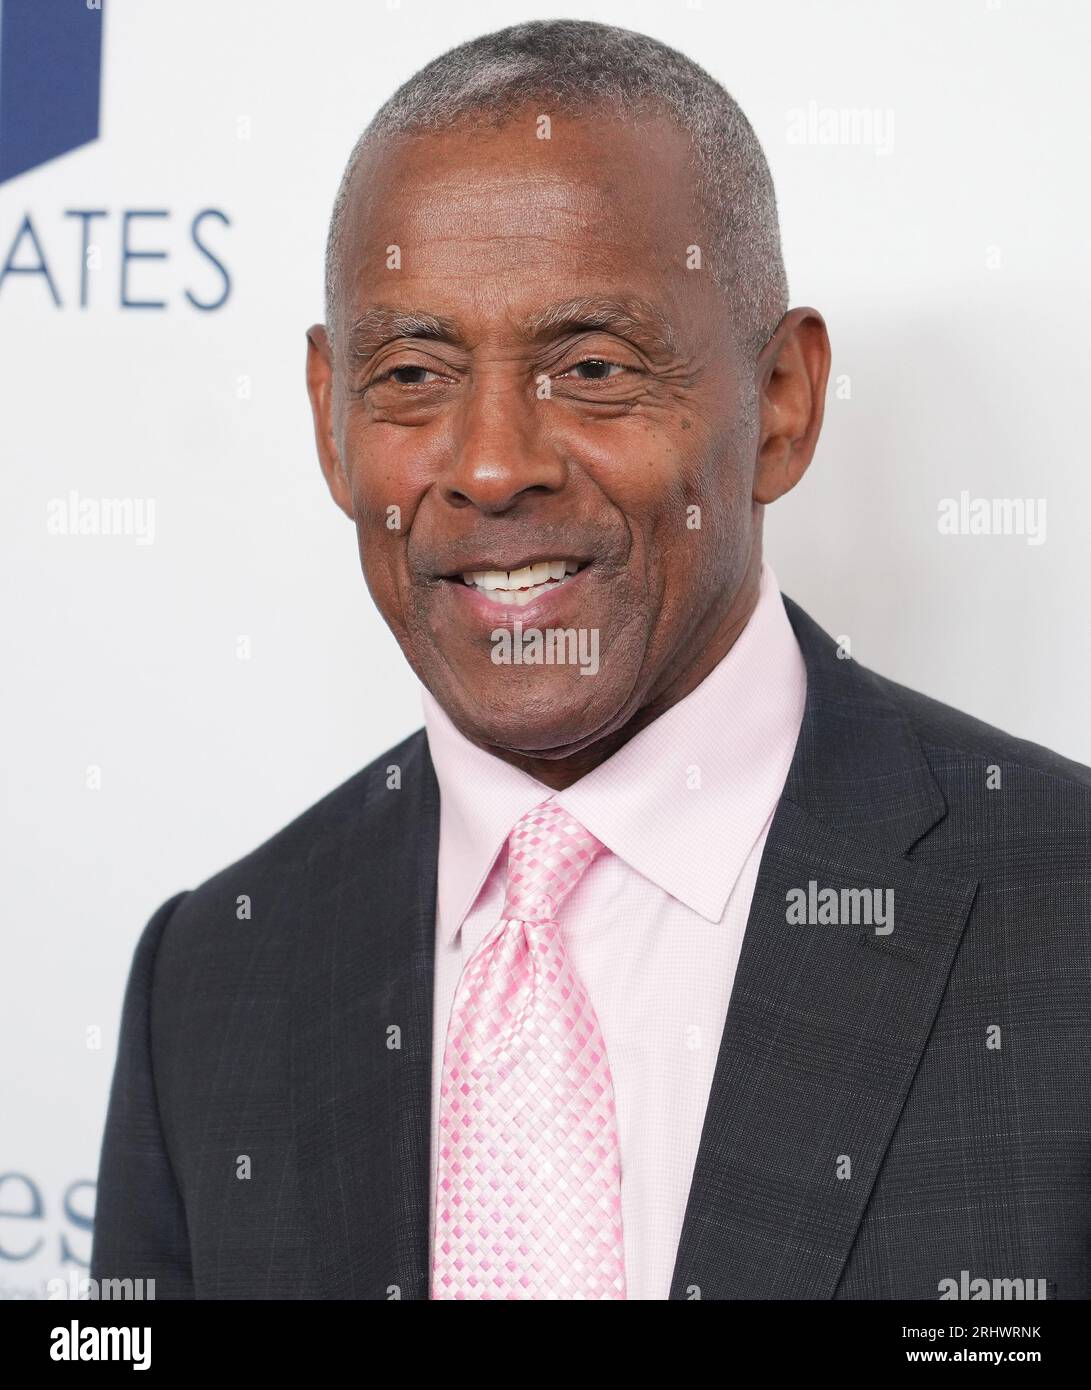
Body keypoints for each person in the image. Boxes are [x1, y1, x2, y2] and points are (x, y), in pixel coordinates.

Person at [91, 19, 1091, 1301]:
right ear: (331, 425)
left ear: (781, 397)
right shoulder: (215, 977)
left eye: (592, 366)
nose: (495, 461)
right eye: (411, 372)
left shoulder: (1062, 916)